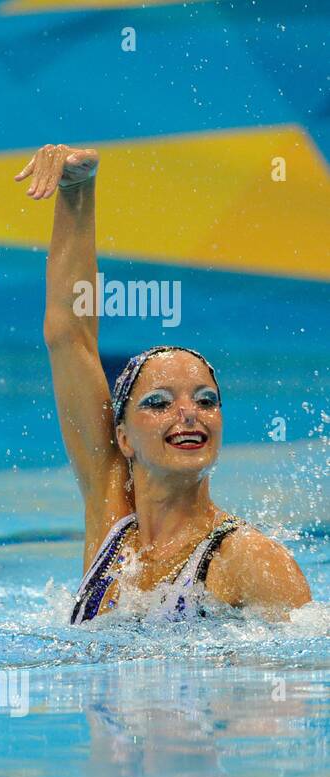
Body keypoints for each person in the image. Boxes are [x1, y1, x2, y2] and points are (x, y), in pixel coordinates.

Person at [18, 143, 311, 623]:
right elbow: (68, 336)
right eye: (159, 402)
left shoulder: (250, 559)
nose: (189, 414)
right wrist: (76, 192)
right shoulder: (112, 516)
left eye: (205, 400)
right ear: (123, 437)